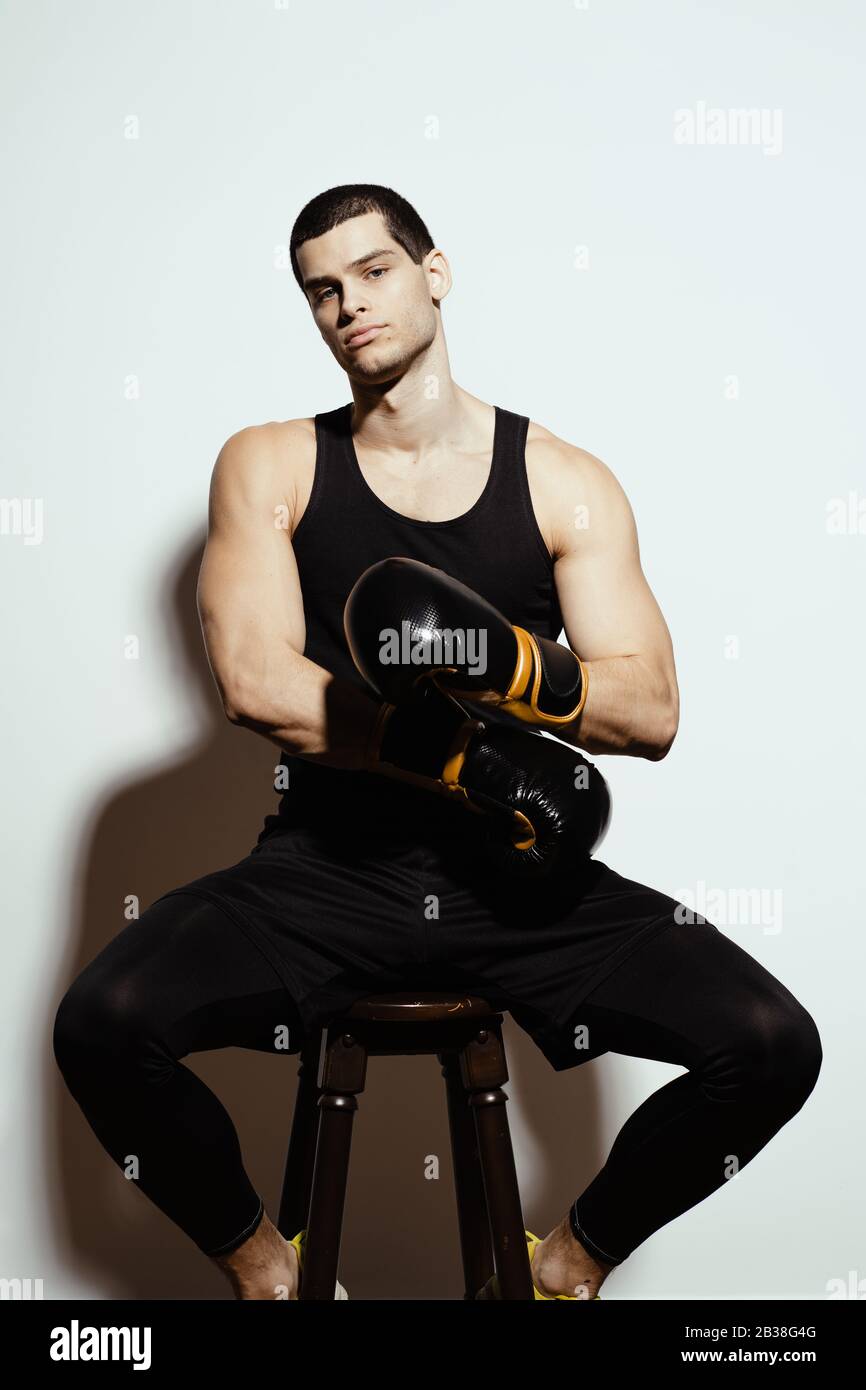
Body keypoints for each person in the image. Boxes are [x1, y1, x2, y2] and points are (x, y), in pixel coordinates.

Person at [53, 184, 822, 1301]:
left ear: (434, 272)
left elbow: (648, 706)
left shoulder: (561, 480)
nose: (347, 304)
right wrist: (467, 757)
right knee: (102, 1022)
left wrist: (510, 665)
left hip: (517, 876)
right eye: (321, 289)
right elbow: (256, 683)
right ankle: (270, 1272)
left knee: (767, 1042)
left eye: (372, 271)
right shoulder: (270, 465)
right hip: (322, 871)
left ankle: (561, 1268)